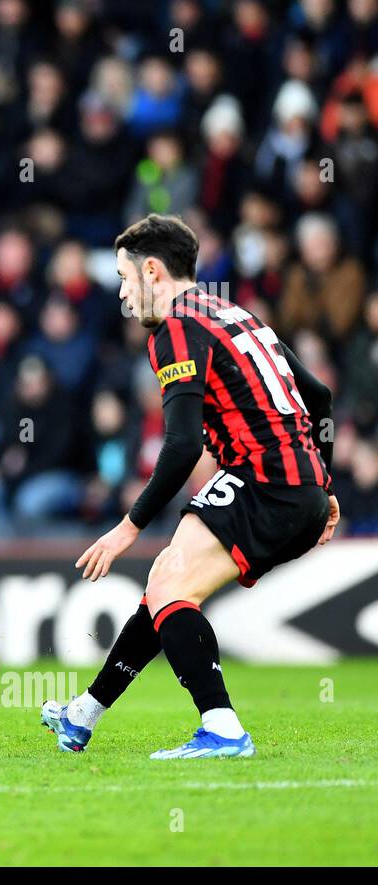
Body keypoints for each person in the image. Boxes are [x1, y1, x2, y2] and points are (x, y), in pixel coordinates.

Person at [43, 214, 338, 759]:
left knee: (173, 590)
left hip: (263, 479)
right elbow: (317, 395)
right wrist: (325, 482)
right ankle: (83, 714)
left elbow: (181, 446)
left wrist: (128, 527)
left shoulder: (176, 327)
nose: (124, 296)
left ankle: (223, 728)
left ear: (152, 270)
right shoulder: (234, 313)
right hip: (299, 486)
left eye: (125, 279)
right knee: (165, 583)